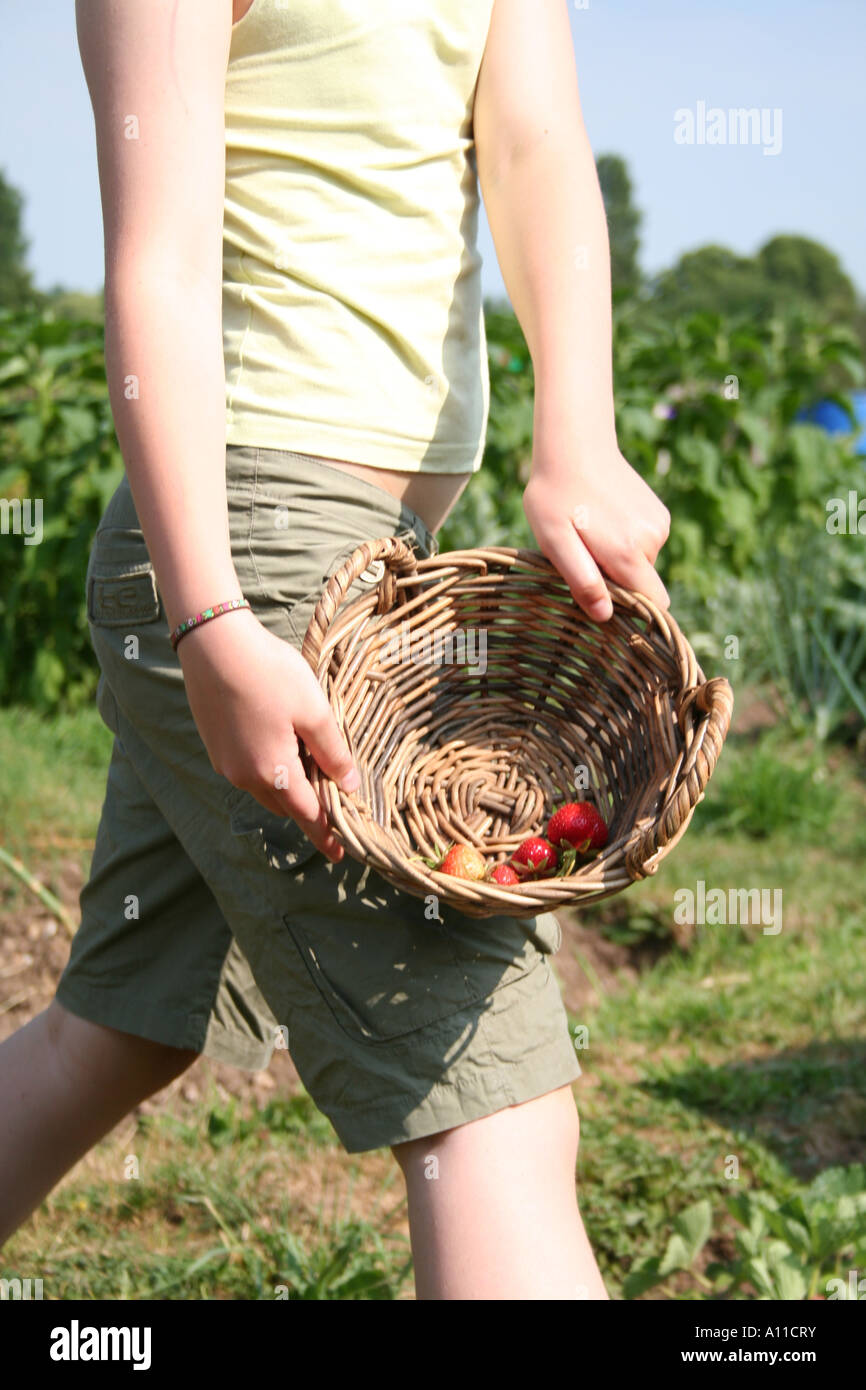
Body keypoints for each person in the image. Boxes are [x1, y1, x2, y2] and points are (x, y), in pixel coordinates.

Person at [0, 0, 670, 1299]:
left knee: (123, 1024)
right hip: (246, 546)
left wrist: (573, 433)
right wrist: (206, 621)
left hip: (361, 568)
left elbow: (532, 141)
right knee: (492, 1104)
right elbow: (157, 260)